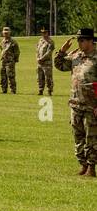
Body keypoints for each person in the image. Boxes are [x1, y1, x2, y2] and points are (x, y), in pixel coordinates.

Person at [53, 28, 97, 175]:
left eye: (82, 40)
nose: (79, 42)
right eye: (78, 40)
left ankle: (91, 167)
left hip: (92, 105)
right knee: (78, 136)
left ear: (91, 41)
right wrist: (62, 51)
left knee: (92, 137)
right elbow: (59, 65)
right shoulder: (76, 56)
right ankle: (83, 165)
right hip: (76, 103)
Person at [0, 26, 19, 93]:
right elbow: (1, 50)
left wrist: (14, 60)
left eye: (7, 32)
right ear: (2, 33)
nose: (6, 34)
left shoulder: (13, 42)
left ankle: (13, 90)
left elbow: (17, 52)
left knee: (11, 76)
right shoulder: (2, 41)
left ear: (10, 33)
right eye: (4, 33)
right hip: (3, 62)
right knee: (3, 77)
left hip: (10, 62)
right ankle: (4, 90)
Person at [36, 27, 54, 96]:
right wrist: (37, 58)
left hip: (47, 63)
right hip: (39, 63)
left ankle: (49, 91)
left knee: (48, 78)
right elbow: (37, 50)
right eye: (42, 33)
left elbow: (49, 52)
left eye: (45, 33)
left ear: (47, 33)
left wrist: (41, 59)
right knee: (39, 78)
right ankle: (40, 90)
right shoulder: (40, 41)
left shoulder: (50, 42)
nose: (43, 34)